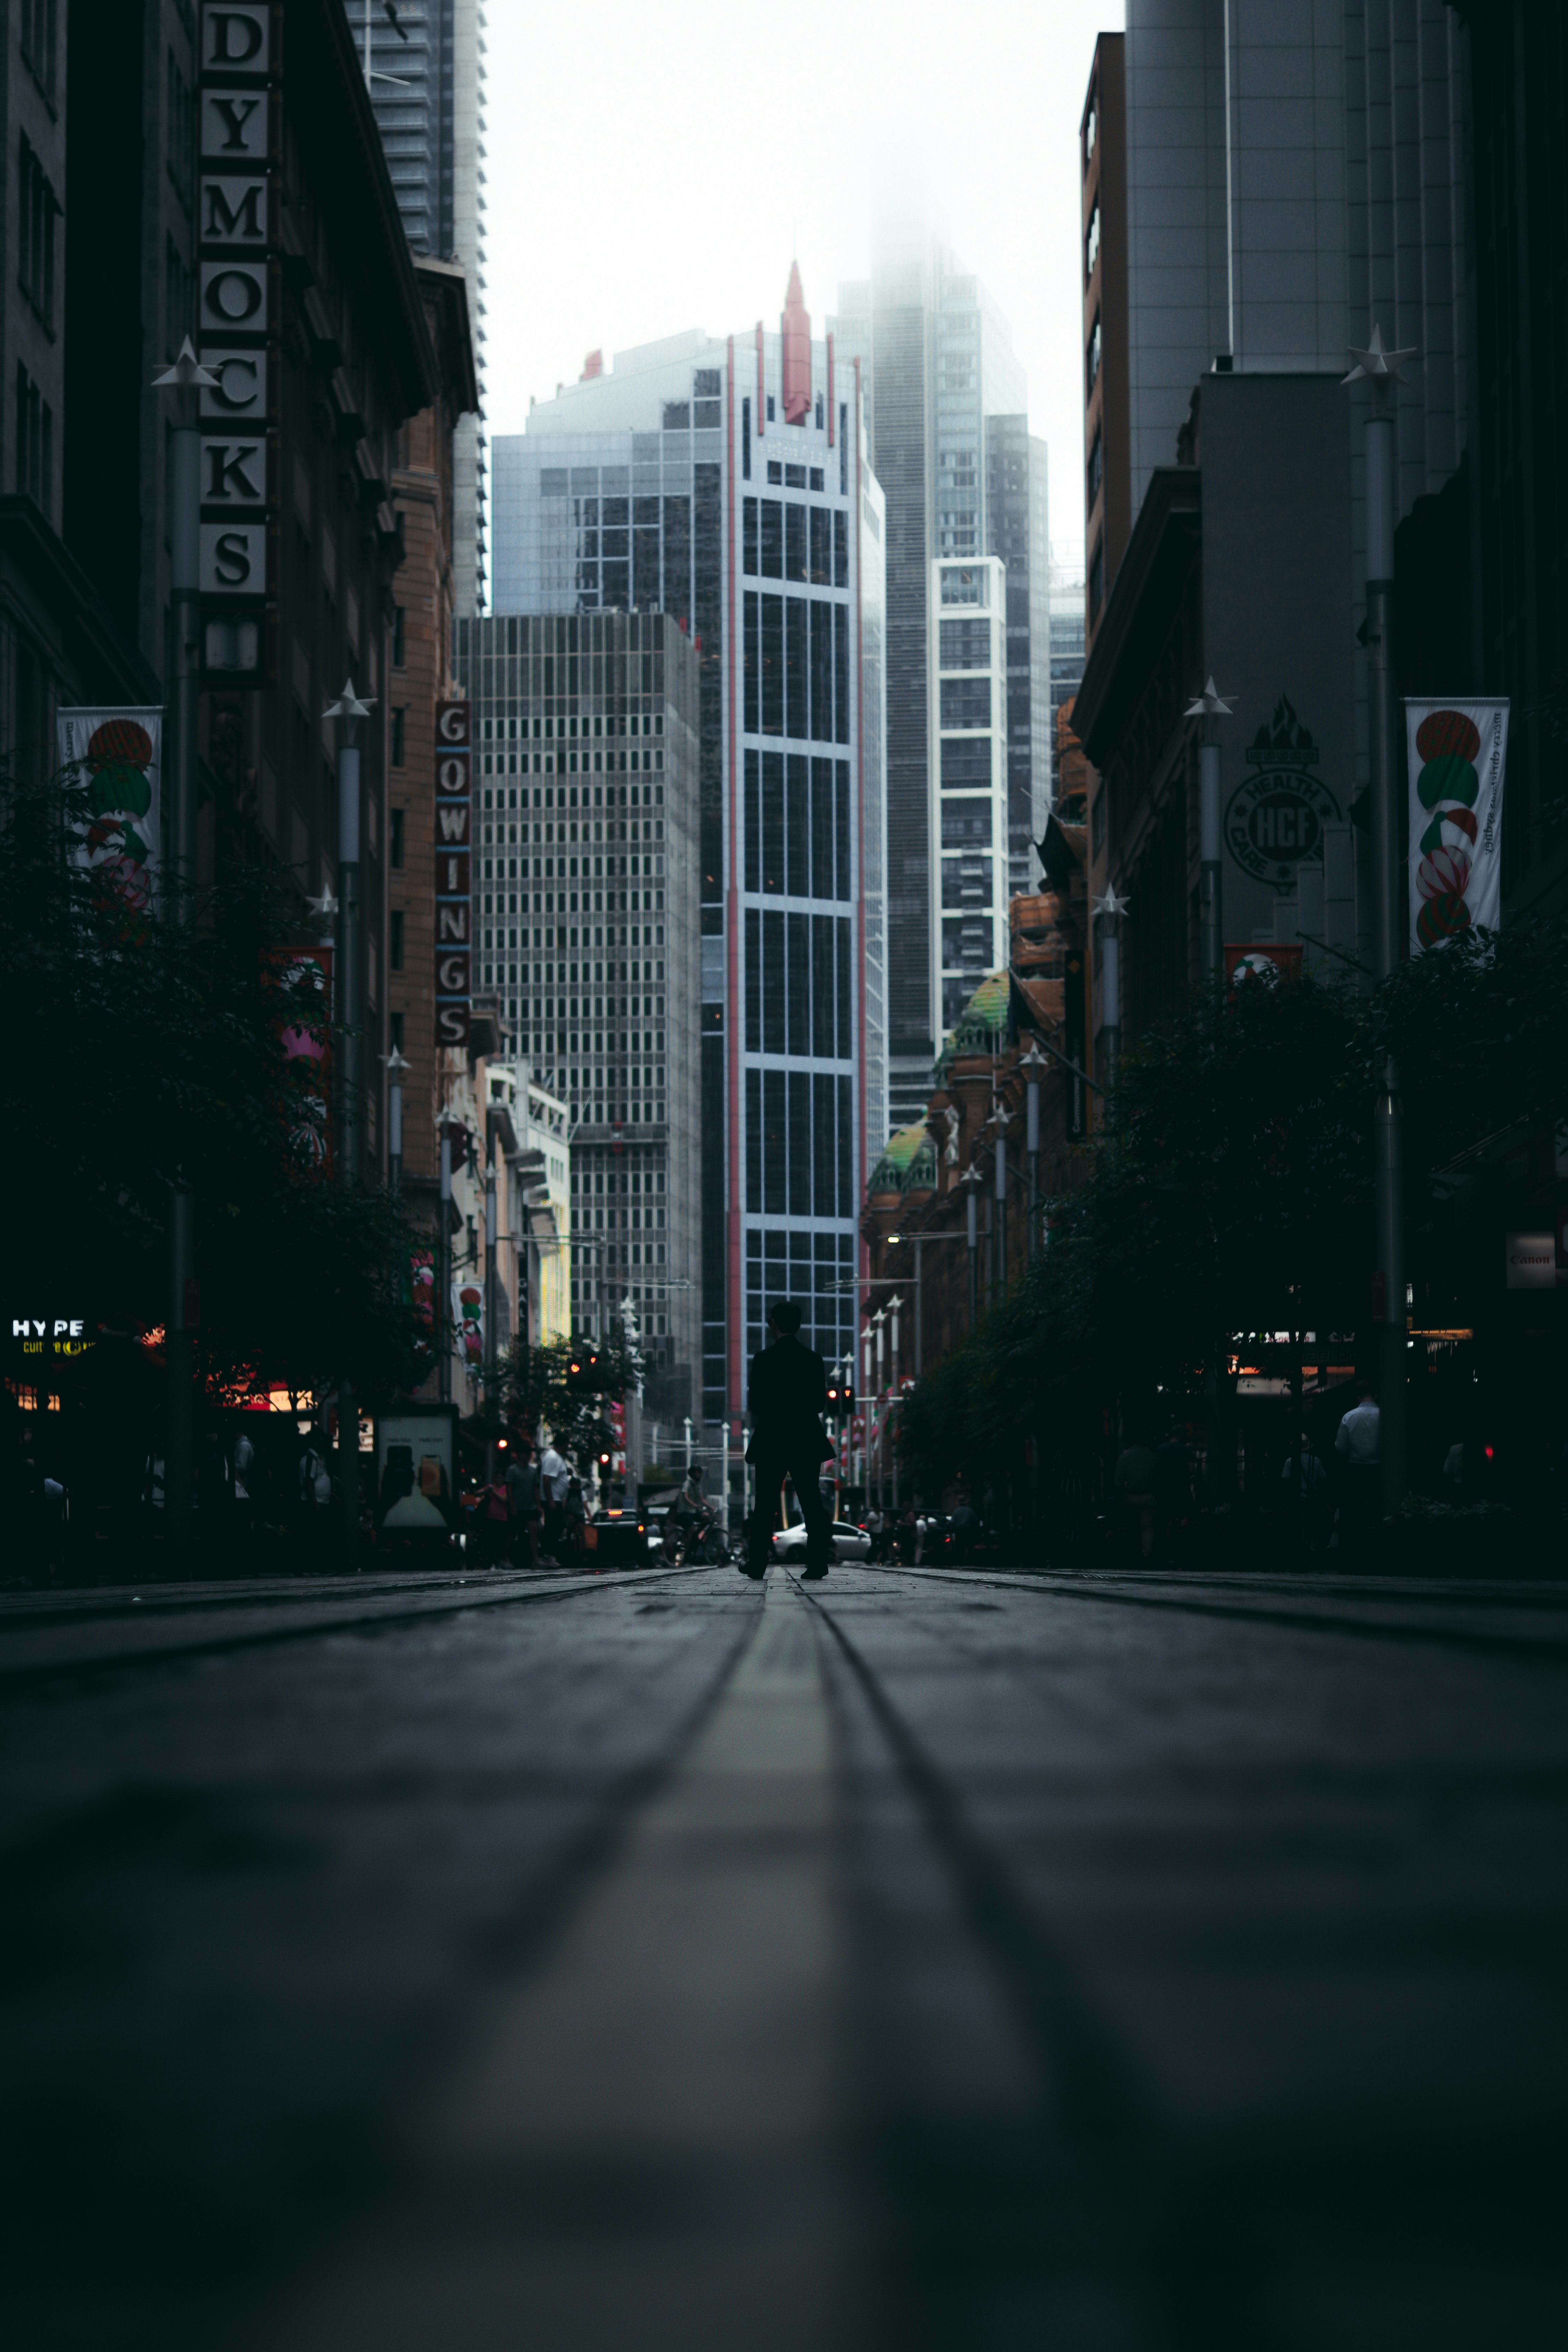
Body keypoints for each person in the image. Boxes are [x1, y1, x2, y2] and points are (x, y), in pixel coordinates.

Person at [744, 1300, 835, 1579]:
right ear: (798, 1325)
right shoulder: (813, 1360)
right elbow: (820, 1404)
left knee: (765, 1505)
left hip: (772, 1439)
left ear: (773, 1325)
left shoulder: (763, 1360)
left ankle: (757, 1563)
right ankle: (818, 1563)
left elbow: (756, 1404)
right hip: (805, 1439)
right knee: (811, 1503)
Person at [1333, 1387, 1381, 1559]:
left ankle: (1354, 1554)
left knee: (1355, 1514)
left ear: (1357, 1397)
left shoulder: (1349, 1417)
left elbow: (1340, 1448)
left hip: (1355, 1470)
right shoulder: (1384, 1415)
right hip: (1379, 1470)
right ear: (1375, 1395)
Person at [1112, 1433, 1158, 1564]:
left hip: (1131, 1496)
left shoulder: (1125, 1457)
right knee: (1148, 1527)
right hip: (1149, 1496)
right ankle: (1147, 1555)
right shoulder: (1153, 1456)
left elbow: (1119, 1483)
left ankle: (1131, 1554)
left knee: (1131, 1526)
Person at [505, 1442, 541, 1568]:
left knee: (533, 1532)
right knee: (512, 1532)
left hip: (530, 1507)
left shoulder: (533, 1471)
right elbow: (509, 1489)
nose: (529, 1456)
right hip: (517, 1506)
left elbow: (535, 1489)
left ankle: (536, 1560)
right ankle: (505, 1558)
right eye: (526, 1454)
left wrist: (539, 1505)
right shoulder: (512, 1470)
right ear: (520, 1455)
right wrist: (512, 1506)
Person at [538, 1438, 570, 1564]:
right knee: (556, 1525)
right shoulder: (553, 1457)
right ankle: (546, 1553)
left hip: (556, 1498)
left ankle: (548, 1553)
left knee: (555, 1525)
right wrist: (550, 1499)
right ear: (564, 1444)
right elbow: (547, 1479)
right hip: (552, 1499)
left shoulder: (556, 1457)